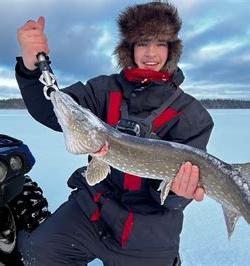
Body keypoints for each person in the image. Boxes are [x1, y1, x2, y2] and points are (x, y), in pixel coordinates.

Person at [15, 1, 214, 265]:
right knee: (39, 251)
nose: (151, 52)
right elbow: (55, 111)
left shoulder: (190, 114)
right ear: (130, 49)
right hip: (92, 210)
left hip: (148, 229)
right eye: (143, 43)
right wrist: (31, 69)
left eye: (160, 43)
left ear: (171, 50)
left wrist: (179, 193)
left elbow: (171, 201)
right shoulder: (103, 90)